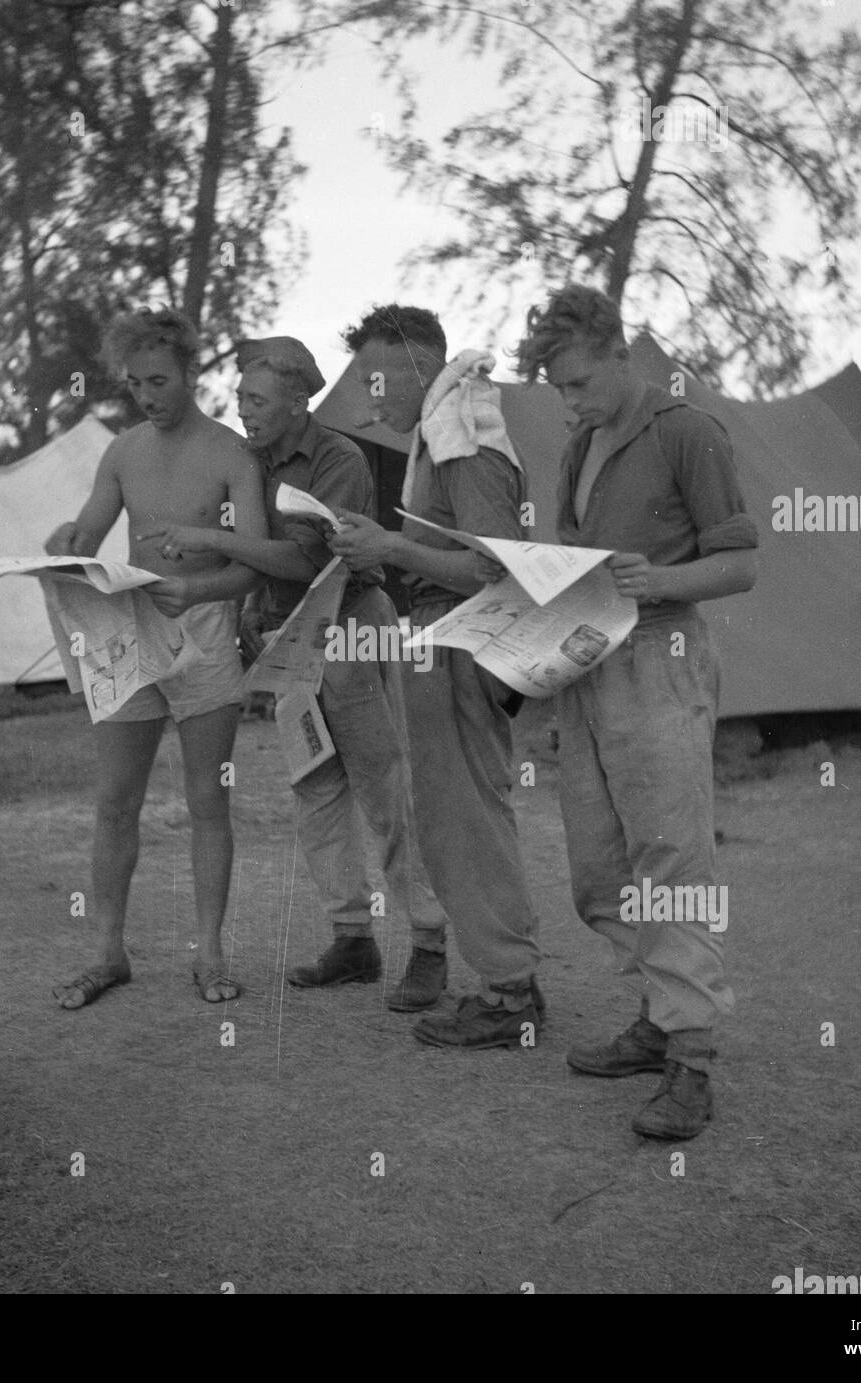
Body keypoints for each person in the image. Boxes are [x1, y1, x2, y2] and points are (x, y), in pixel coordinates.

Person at [514, 285, 758, 1139]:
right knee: (601, 869)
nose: (569, 400)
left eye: (579, 381)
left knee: (673, 859)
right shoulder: (580, 443)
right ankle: (660, 1014)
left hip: (664, 658)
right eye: (558, 388)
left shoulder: (687, 432)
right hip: (587, 664)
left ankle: (691, 1058)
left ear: (620, 352)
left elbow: (740, 564)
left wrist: (662, 581)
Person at [141, 336, 450, 1009]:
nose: (243, 410)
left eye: (256, 398)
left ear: (296, 400)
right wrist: (248, 599)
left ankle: (429, 941)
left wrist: (214, 541)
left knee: (382, 783)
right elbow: (264, 564)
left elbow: (311, 562)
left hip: (346, 624)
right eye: (240, 397)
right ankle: (351, 935)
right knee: (315, 788)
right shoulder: (248, 460)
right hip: (288, 638)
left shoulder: (337, 459)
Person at [329, 304, 544, 1049]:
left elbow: (494, 563)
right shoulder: (441, 428)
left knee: (464, 819)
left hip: (460, 640)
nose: (369, 396)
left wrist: (388, 542)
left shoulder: (464, 430)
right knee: (452, 816)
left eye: (376, 376)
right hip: (436, 636)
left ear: (419, 365)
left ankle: (510, 990)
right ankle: (506, 979)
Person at [46, 307, 267, 1009]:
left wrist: (197, 586)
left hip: (203, 629)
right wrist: (65, 543)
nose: (148, 395)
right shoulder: (123, 451)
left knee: (208, 800)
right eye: (136, 384)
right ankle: (107, 950)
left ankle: (210, 952)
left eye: (160, 380)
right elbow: (90, 530)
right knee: (115, 802)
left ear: (189, 373)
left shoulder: (232, 453)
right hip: (132, 625)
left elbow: (255, 564)